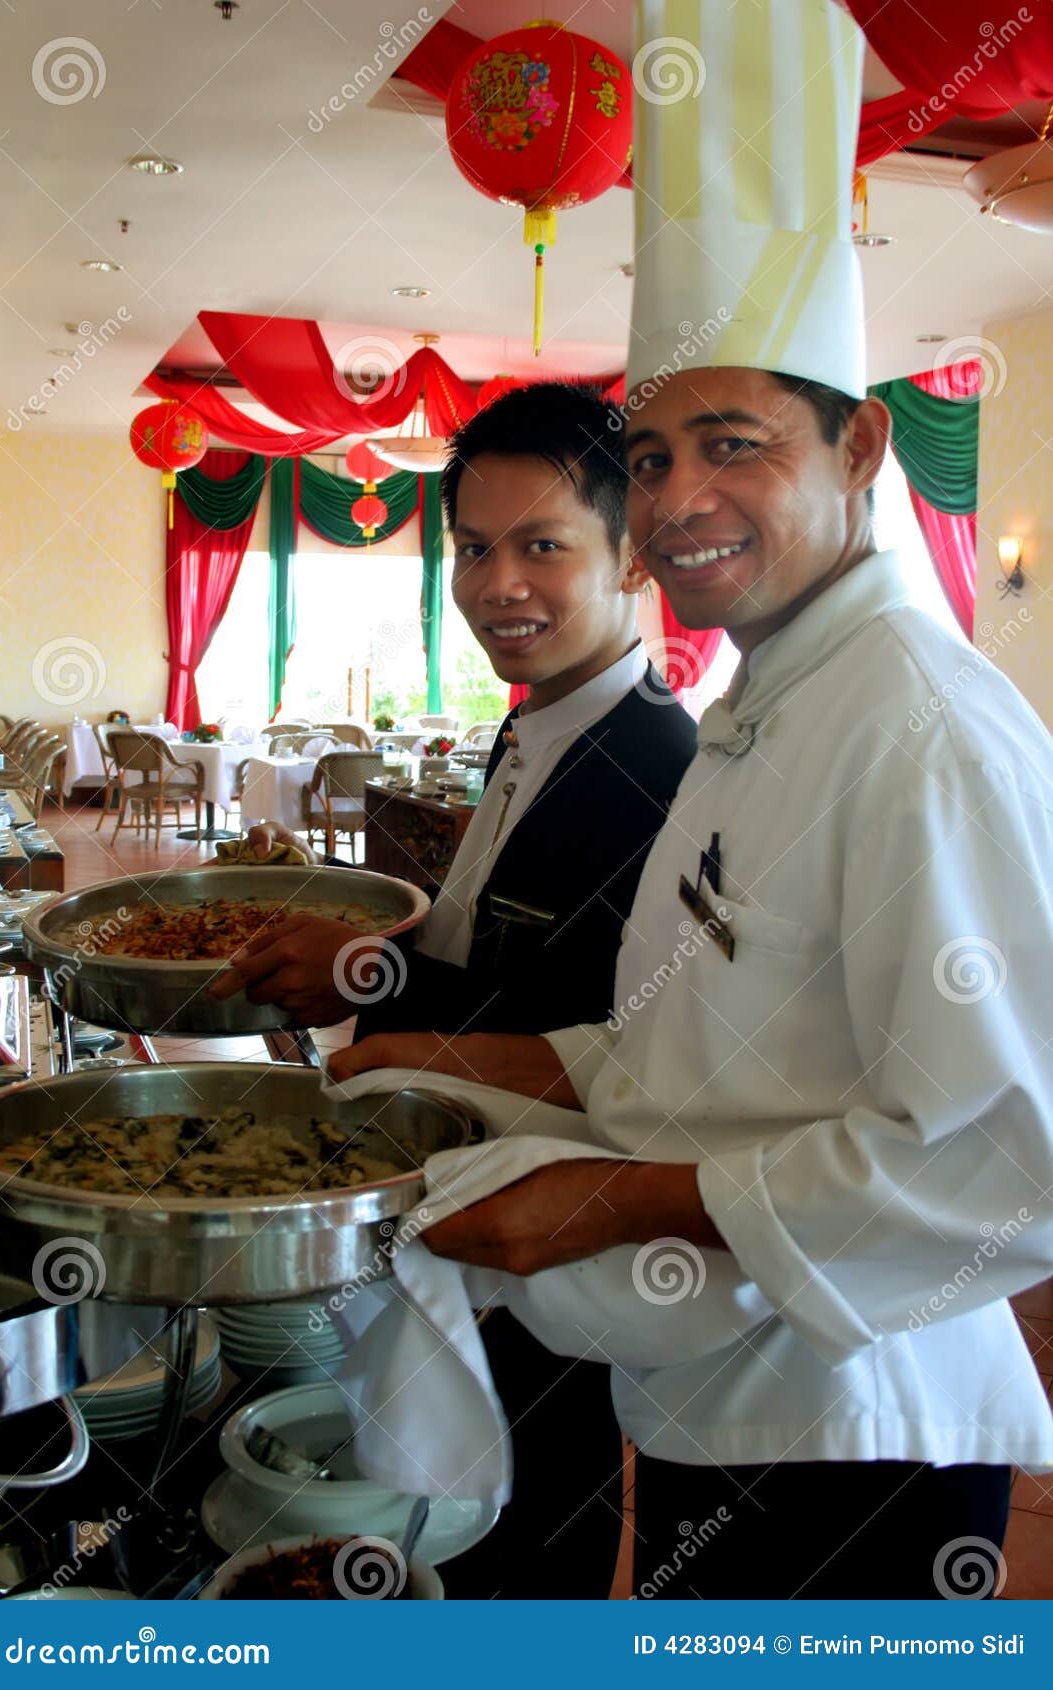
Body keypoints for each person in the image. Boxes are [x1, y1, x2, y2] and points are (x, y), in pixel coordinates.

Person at [328, 0, 1053, 1599]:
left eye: (731, 443)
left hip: (860, 1416)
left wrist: (615, 1193)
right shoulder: (763, 703)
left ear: (862, 445)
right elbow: (698, 1043)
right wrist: (455, 1066)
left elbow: (1005, 1163)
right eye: (649, 458)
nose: (675, 501)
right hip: (728, 1384)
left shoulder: (917, 730)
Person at [213, 380, 697, 1598]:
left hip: (545, 1208)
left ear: (628, 554)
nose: (498, 585)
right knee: (467, 1477)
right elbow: (496, 949)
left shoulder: (655, 764)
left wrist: (362, 972)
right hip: (457, 1182)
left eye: (542, 545)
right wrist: (371, 943)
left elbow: (606, 1034)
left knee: (542, 1481)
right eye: (474, 549)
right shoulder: (532, 724)